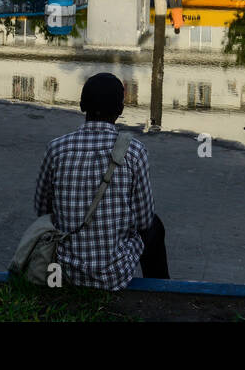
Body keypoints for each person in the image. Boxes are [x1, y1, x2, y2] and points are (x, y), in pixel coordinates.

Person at [32, 72, 168, 290]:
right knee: (155, 226)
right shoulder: (134, 151)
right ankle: (161, 291)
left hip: (64, 271)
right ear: (120, 110)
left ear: (81, 105)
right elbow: (144, 221)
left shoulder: (57, 149)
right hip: (112, 275)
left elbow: (42, 210)